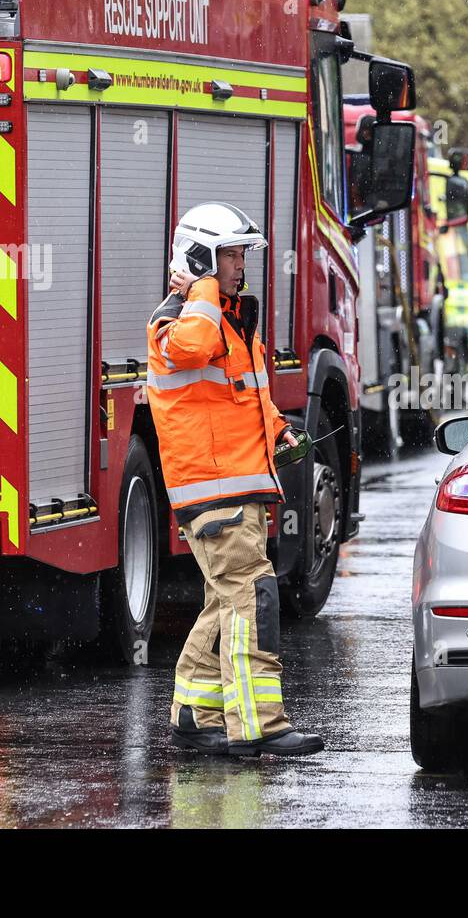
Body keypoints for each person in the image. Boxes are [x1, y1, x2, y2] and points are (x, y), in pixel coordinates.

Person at [145, 201, 323, 758]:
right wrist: (198, 289)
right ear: (199, 258)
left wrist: (278, 432)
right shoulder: (177, 320)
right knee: (251, 595)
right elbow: (193, 348)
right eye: (228, 254)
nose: (240, 264)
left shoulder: (229, 316)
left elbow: (242, 395)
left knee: (226, 601)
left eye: (241, 253)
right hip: (214, 491)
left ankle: (194, 716)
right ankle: (258, 724)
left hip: (236, 485)